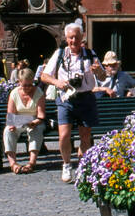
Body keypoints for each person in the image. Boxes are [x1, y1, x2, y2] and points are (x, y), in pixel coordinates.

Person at [39, 22, 99, 183]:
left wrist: (97, 70)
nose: (74, 41)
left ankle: (83, 166)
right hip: (66, 98)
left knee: (85, 137)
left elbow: (104, 76)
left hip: (85, 98)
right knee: (64, 135)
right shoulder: (59, 54)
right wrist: (58, 83)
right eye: (71, 38)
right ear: (66, 38)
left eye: (77, 38)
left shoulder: (90, 54)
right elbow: (44, 76)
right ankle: (66, 164)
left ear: (82, 38)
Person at [4, 68, 46, 174]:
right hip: (18, 120)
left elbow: (41, 115)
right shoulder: (14, 93)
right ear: (19, 82)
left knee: (36, 130)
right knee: (8, 131)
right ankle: (13, 163)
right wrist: (11, 124)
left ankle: (31, 163)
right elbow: (10, 115)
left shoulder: (38, 92)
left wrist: (34, 123)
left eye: (29, 85)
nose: (27, 88)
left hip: (34, 120)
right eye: (24, 85)